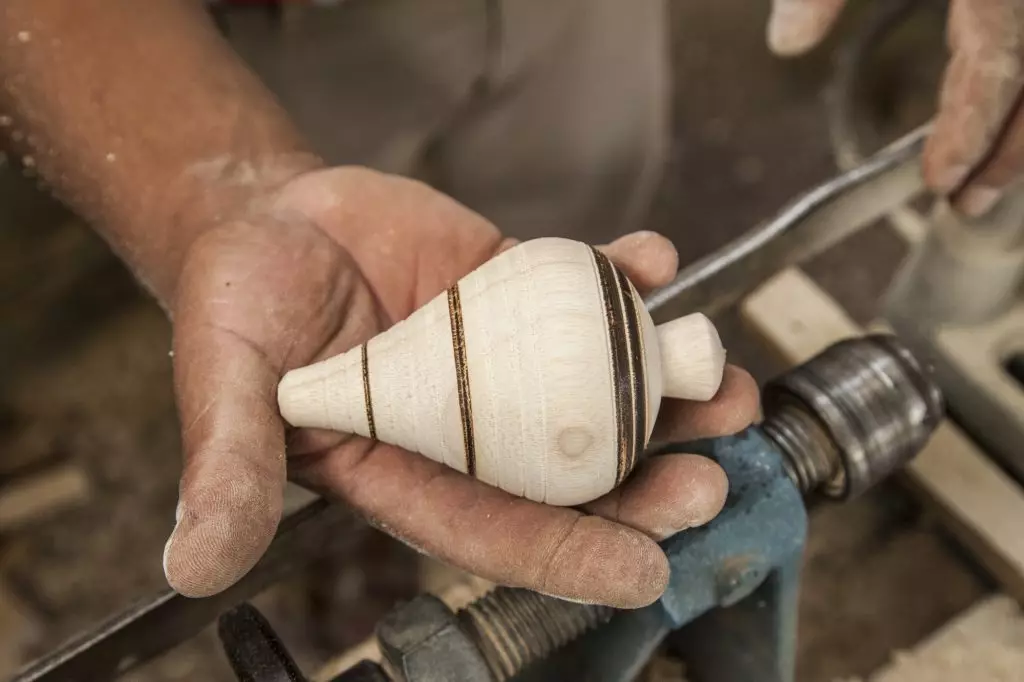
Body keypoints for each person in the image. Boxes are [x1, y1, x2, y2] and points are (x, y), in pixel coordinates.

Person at [0, 0, 1019, 610]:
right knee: (327, 395)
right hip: (259, 29)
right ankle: (342, 526)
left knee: (585, 173)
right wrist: (226, 188)